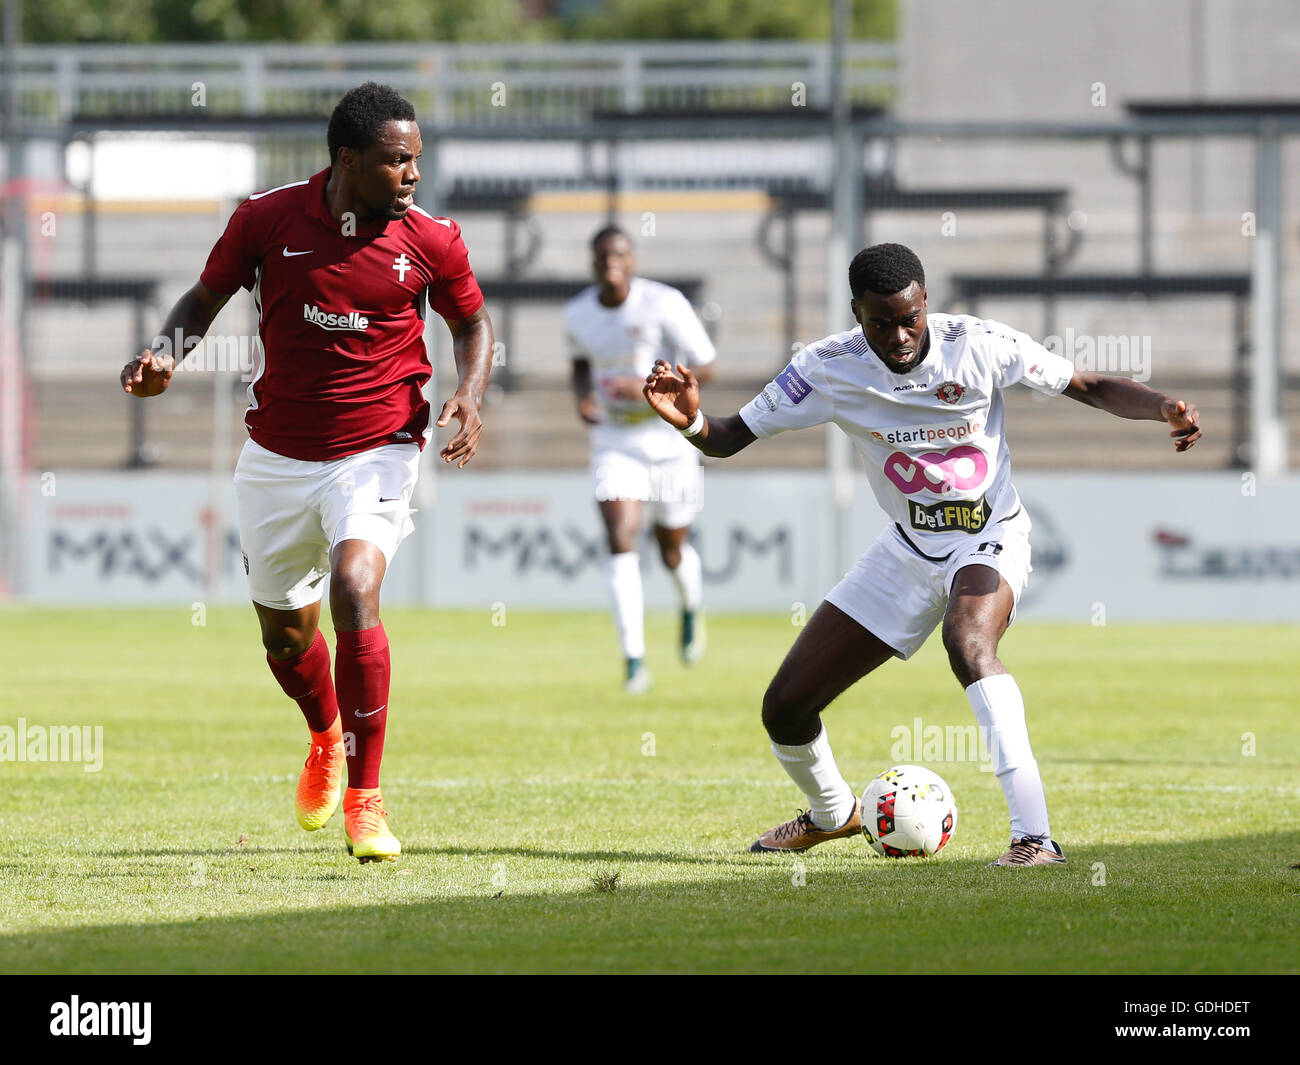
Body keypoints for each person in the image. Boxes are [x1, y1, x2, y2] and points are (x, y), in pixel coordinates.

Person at [643, 242, 1201, 866]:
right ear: (856, 312)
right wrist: (690, 420)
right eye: (880, 322)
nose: (900, 335)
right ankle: (834, 815)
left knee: (969, 644)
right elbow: (727, 439)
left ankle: (1034, 838)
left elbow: (1088, 384)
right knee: (785, 707)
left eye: (909, 317)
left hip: (989, 535)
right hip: (907, 550)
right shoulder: (825, 368)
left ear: (926, 300)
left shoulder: (982, 343)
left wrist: (1161, 408)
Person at [119, 82, 493, 863]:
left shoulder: (431, 238)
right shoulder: (266, 218)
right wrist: (164, 355)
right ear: (348, 161)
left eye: (417, 160)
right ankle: (325, 734)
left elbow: (472, 321)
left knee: (356, 583)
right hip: (278, 456)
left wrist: (471, 390)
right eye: (398, 162)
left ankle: (366, 799)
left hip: (380, 446)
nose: (412, 175)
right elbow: (204, 297)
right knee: (287, 638)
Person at [566, 225, 717, 694]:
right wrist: (583, 399)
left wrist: (659, 388)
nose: (610, 261)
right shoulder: (577, 314)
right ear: (592, 261)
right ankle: (634, 659)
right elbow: (580, 365)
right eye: (602, 255)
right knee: (620, 537)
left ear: (632, 259)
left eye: (619, 253)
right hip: (616, 441)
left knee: (671, 548)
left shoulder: (664, 303)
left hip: (669, 439)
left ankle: (691, 607)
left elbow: (706, 364)